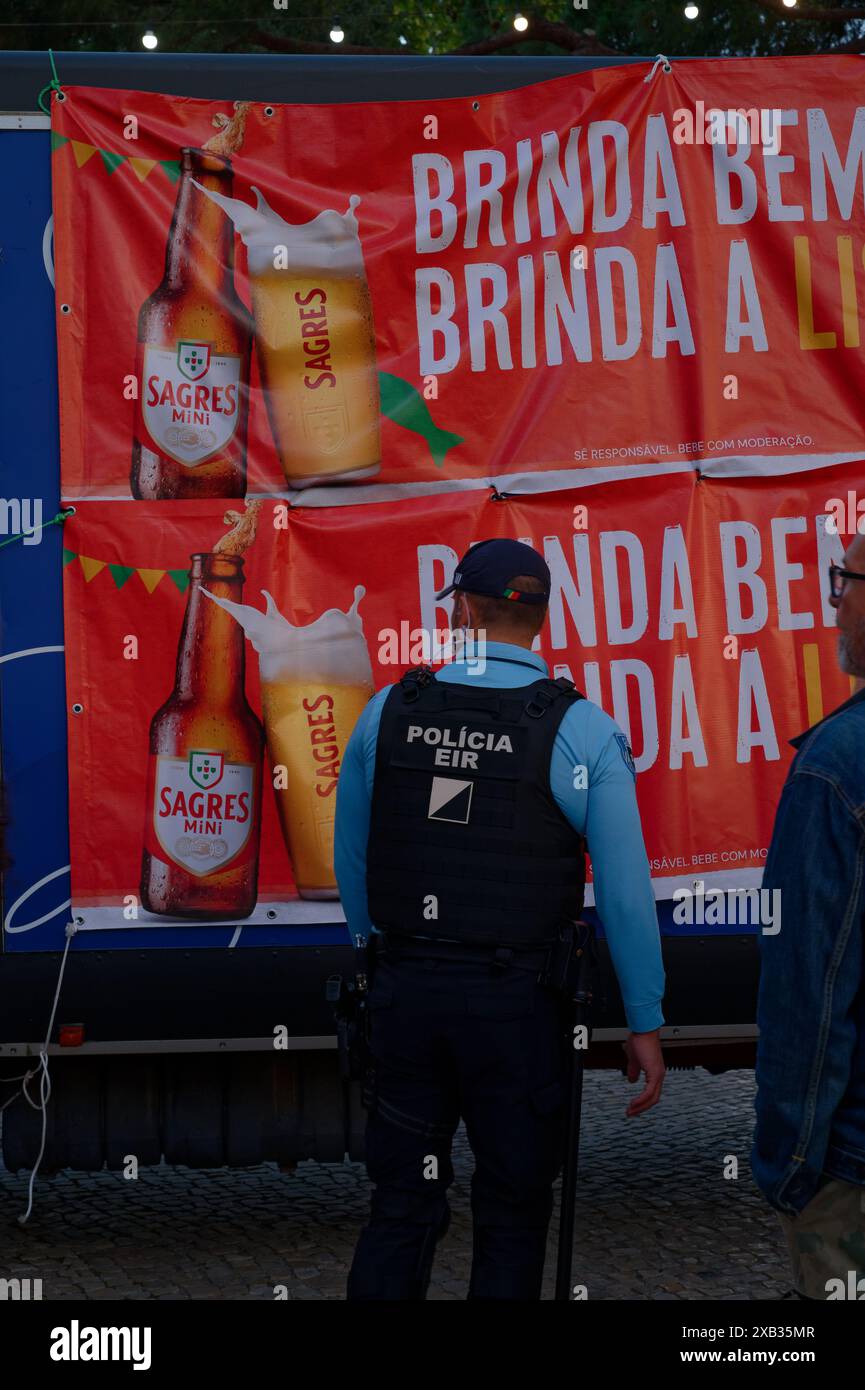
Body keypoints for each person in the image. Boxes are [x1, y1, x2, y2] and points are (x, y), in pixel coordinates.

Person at [334, 538, 666, 1300]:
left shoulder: (389, 711)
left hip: (406, 996)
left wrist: (375, 955)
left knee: (400, 1203)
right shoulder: (580, 728)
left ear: (459, 609)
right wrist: (643, 1021)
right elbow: (622, 892)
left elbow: (353, 857)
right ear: (541, 618)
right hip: (517, 1008)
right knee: (514, 1209)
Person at [753, 530, 865, 1300]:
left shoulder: (834, 766)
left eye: (845, 579)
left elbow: (808, 987)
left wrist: (788, 1162)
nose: (834, 601)